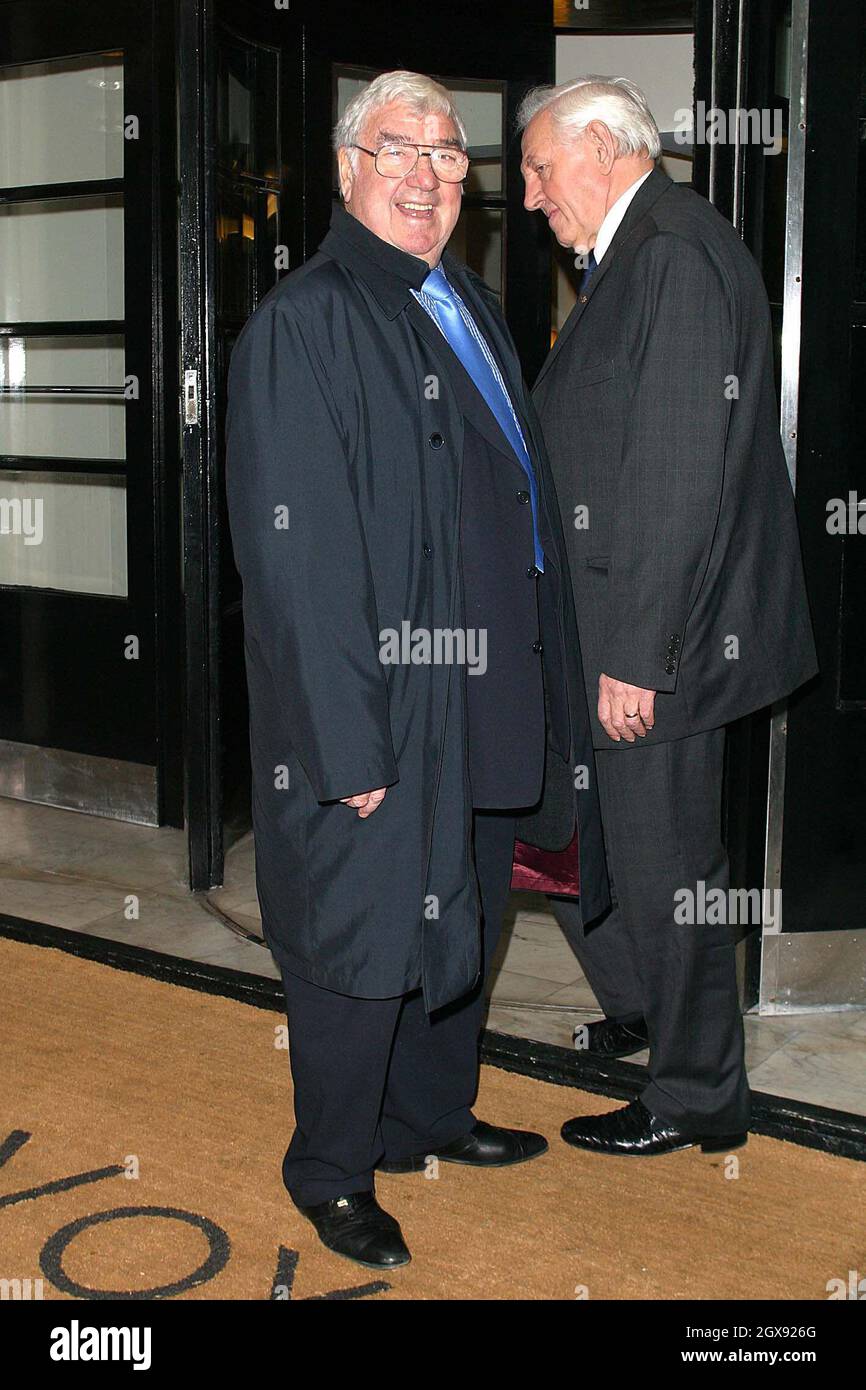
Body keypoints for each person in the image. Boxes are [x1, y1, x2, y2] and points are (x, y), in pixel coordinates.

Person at [225, 70, 608, 1269]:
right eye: (398, 149)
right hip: (383, 716)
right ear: (349, 168)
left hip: (487, 694)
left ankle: (427, 1118)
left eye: (446, 157)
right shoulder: (308, 322)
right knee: (357, 946)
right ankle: (331, 1169)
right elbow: (298, 570)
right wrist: (346, 748)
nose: (426, 175)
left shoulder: (469, 305)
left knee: (465, 918)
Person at [518, 75, 817, 1156]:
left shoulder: (672, 255)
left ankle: (695, 1095)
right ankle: (645, 1004)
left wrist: (636, 657)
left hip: (662, 641)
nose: (534, 195)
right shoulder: (641, 250)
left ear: (600, 147)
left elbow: (674, 479)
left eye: (543, 169)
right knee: (574, 832)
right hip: (623, 627)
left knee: (669, 865)